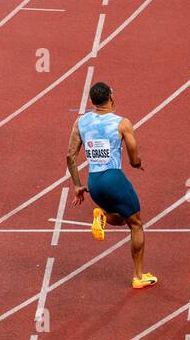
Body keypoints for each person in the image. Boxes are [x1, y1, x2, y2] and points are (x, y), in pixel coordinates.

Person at [66, 81, 156, 288]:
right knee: (136, 224)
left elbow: (70, 156)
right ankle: (138, 276)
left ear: (92, 101)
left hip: (94, 182)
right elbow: (134, 159)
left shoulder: (80, 122)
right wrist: (138, 164)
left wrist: (77, 185)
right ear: (111, 99)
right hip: (113, 178)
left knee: (124, 218)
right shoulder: (122, 123)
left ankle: (103, 215)